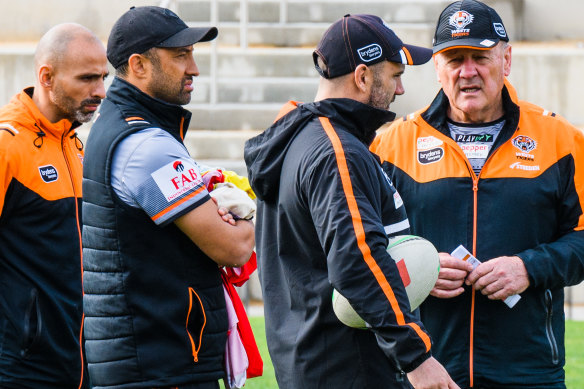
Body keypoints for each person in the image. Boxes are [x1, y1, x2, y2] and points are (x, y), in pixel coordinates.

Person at [371, 1, 584, 387]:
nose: (467, 72)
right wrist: (418, 269)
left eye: (480, 57)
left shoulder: (561, 141)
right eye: (454, 58)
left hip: (529, 372)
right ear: (438, 68)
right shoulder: (390, 146)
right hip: (425, 370)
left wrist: (528, 268)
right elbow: (365, 249)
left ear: (506, 59)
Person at [245, 14, 458, 389]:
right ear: (362, 77)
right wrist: (417, 358)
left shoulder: (305, 138)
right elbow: (357, 260)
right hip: (347, 366)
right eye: (394, 75)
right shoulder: (336, 151)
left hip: (311, 360)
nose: (401, 90)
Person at [81, 6, 255, 389]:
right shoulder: (145, 145)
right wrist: (240, 209)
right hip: (160, 364)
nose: (193, 68)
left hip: (146, 360)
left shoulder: (127, 128)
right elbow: (234, 247)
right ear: (139, 65)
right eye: (180, 55)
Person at [0, 23, 108, 388]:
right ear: (47, 77)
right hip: (22, 367)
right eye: (88, 79)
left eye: (103, 77)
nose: (101, 91)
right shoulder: (6, 146)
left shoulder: (76, 145)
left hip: (80, 363)